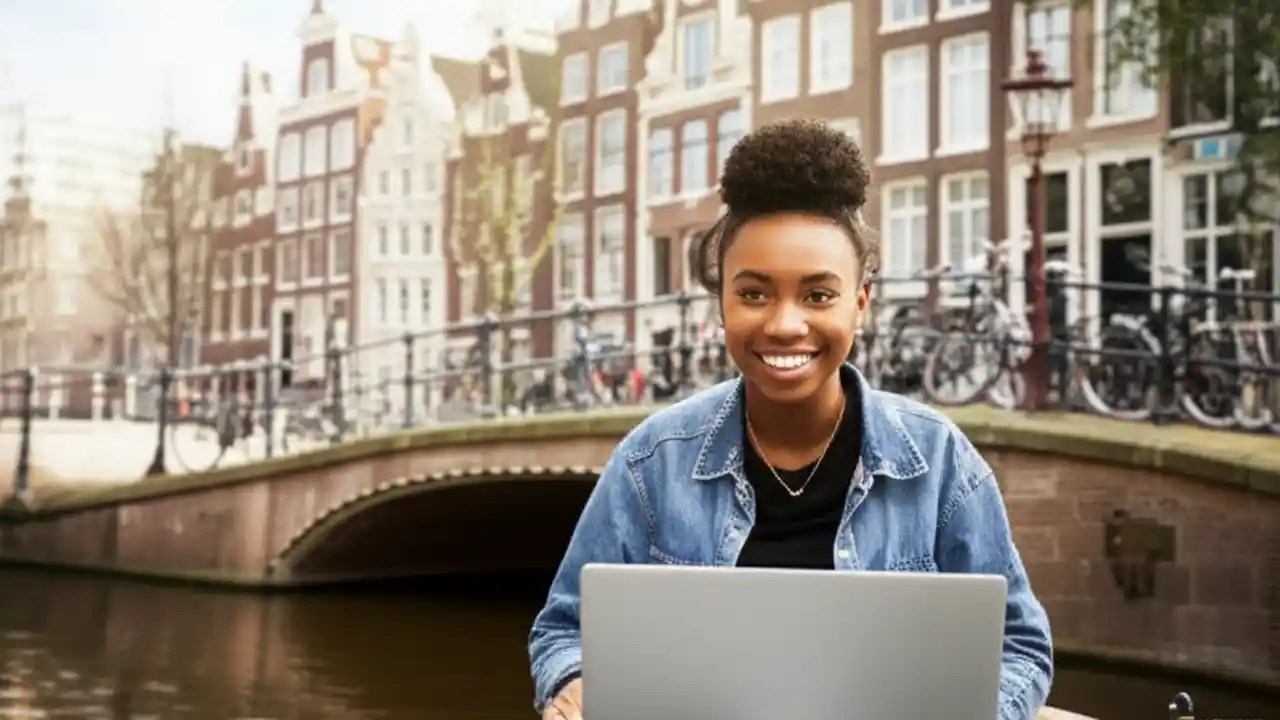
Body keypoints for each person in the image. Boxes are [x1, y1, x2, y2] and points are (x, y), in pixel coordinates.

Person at [527, 118, 1054, 720]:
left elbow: (1021, 647)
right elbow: (563, 630)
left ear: (860, 303)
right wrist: (572, 685)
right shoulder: (652, 461)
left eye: (817, 295)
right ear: (721, 302)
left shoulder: (940, 463)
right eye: (753, 293)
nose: (784, 323)